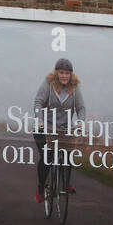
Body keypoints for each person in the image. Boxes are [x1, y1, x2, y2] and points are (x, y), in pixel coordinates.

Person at [32, 57, 84, 201]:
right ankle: (41, 189)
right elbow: (38, 103)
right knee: (47, 158)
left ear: (71, 74)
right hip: (45, 128)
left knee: (67, 156)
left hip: (63, 129)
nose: (64, 76)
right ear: (56, 73)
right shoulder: (48, 84)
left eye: (67, 73)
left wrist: (80, 122)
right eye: (61, 72)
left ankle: (65, 184)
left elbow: (81, 108)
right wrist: (40, 121)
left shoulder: (74, 88)